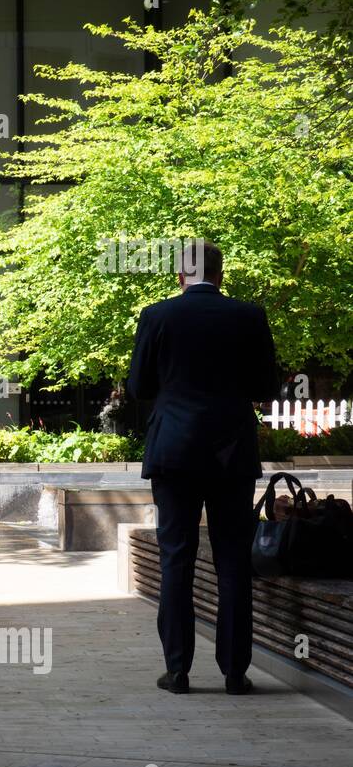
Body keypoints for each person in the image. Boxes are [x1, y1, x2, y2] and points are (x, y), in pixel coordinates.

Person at [125, 240, 280, 696]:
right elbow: (266, 387)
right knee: (233, 559)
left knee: (177, 556)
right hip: (231, 450)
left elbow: (138, 386)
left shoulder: (157, 316)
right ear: (221, 274)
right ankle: (235, 671)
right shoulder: (249, 316)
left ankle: (177, 670)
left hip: (173, 450)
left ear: (180, 275)